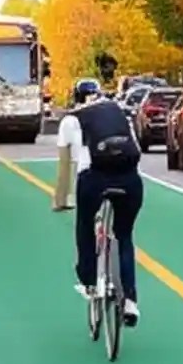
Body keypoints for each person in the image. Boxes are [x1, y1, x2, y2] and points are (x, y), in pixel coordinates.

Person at [52, 78, 144, 326]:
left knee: (84, 226)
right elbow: (136, 149)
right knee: (124, 236)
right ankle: (131, 302)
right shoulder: (118, 114)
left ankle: (90, 282)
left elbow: (65, 166)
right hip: (129, 179)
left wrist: (60, 200)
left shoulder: (71, 120)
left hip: (93, 179)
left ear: (76, 97)